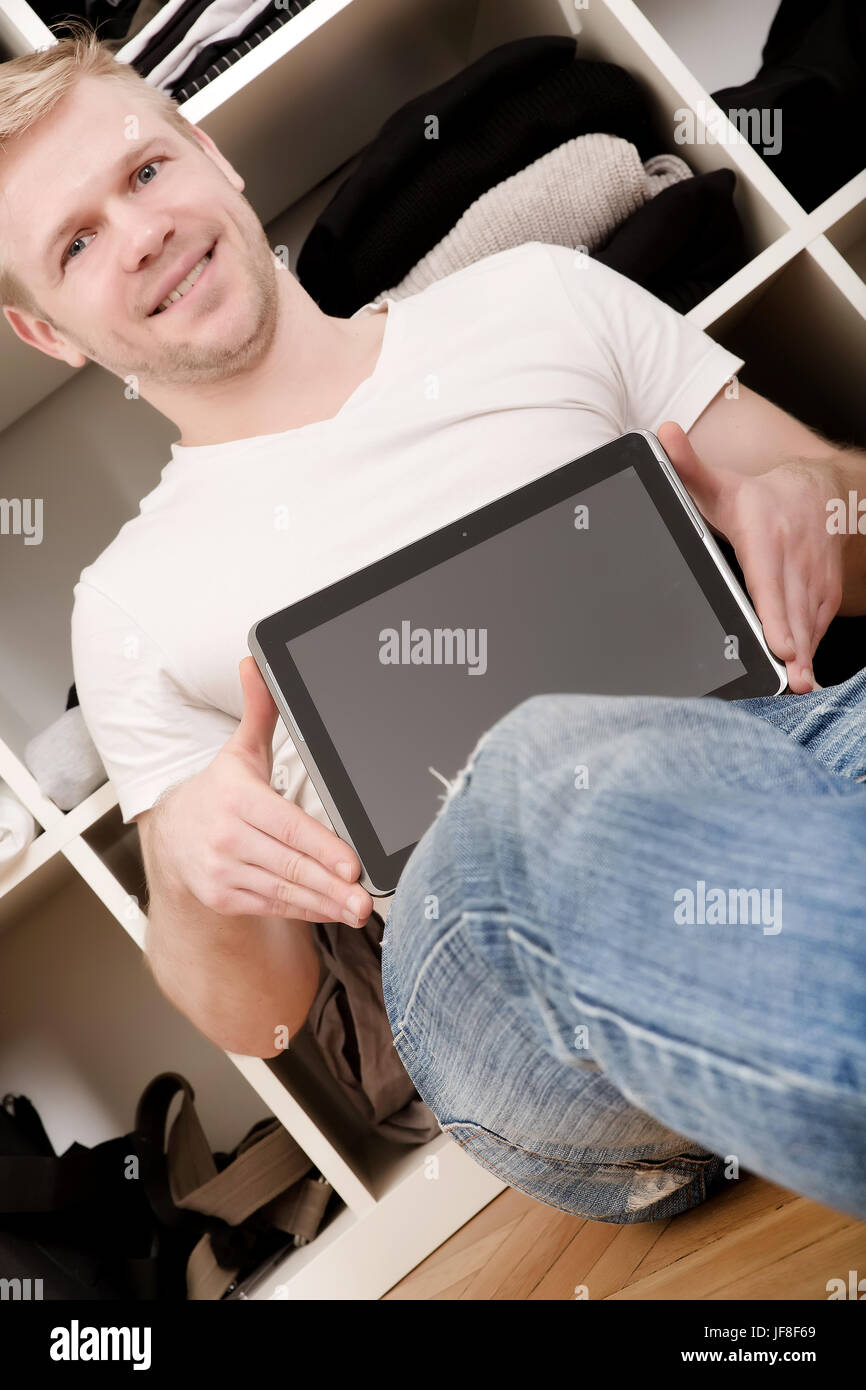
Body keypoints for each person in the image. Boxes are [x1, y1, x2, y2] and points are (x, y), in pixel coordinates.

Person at [2, 29, 863, 1221]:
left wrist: (810, 498)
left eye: (145, 172)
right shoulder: (127, 604)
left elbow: (843, 523)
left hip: (784, 775)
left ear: (211, 156)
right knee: (528, 768)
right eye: (77, 243)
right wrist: (199, 879)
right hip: (516, 1018)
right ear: (48, 331)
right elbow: (263, 1017)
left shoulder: (537, 297)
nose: (140, 229)